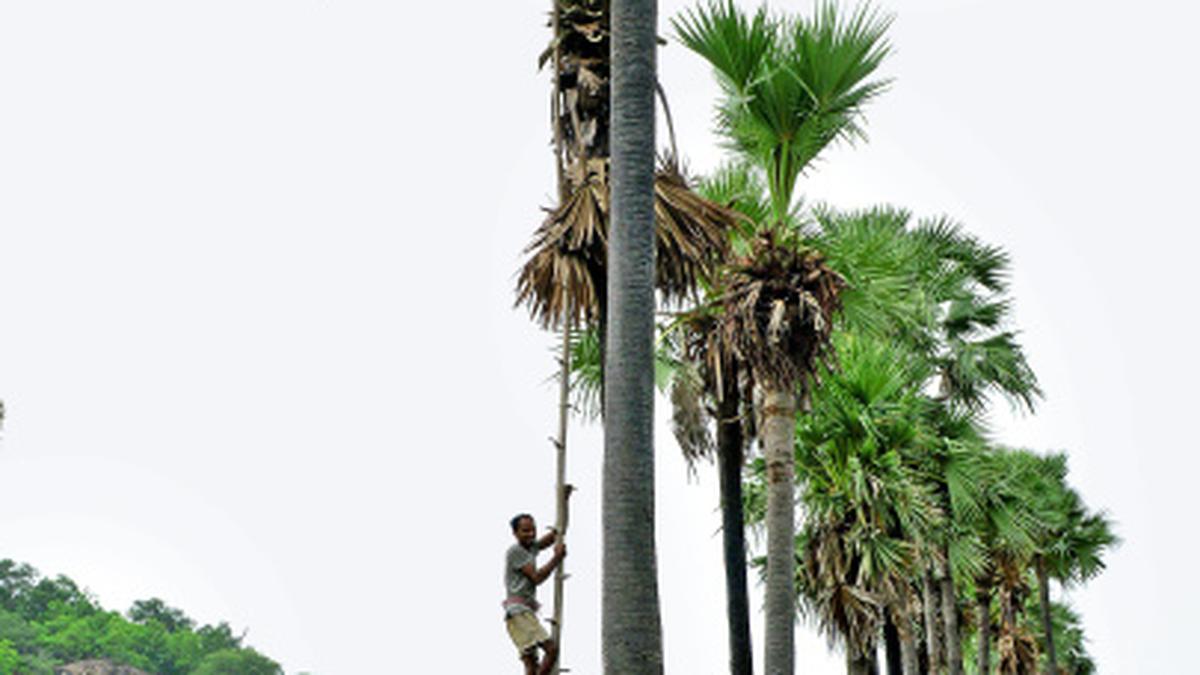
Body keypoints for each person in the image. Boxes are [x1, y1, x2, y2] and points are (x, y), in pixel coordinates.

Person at [503, 502, 569, 675]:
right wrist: (557, 558)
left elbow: (557, 533)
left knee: (531, 664)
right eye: (525, 531)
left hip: (522, 612)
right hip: (519, 612)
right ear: (515, 533)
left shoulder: (530, 548)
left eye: (533, 530)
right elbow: (537, 577)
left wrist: (565, 500)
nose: (531, 534)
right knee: (551, 650)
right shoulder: (515, 551)